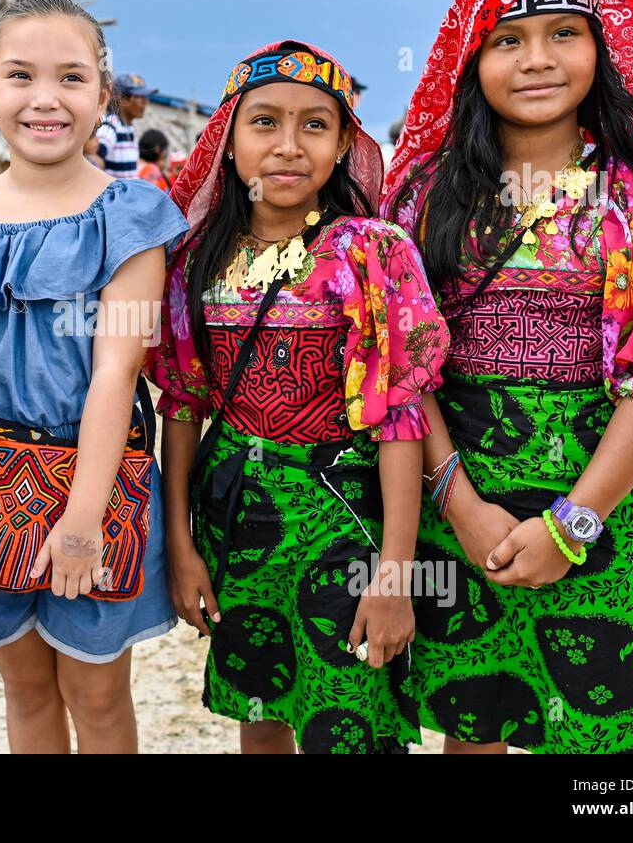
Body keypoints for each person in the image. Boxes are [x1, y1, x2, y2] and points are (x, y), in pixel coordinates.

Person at [383, 0, 633, 754]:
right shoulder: (428, 199)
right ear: (469, 61)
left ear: (599, 49)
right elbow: (403, 364)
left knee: (588, 739)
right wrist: (458, 502)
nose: (538, 59)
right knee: (470, 728)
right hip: (461, 512)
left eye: (564, 34)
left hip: (598, 519)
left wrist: (574, 522)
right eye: (507, 40)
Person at [150, 39, 449, 754]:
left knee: (350, 721)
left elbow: (399, 417)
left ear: (344, 144)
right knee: (262, 713)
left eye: (314, 124)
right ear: (227, 141)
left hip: (346, 526)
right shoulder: (195, 261)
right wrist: (182, 546)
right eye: (264, 122)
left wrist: (394, 575)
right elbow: (184, 405)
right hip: (236, 522)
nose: (288, 145)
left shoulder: (372, 252)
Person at [0, 0, 187, 753]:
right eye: (20, 75)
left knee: (95, 694)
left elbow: (116, 372)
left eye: (71, 77)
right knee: (25, 687)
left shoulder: (129, 218)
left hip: (97, 485)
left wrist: (82, 519)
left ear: (102, 96)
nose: (45, 98)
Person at [97, 72, 155, 178]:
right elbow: (95, 157)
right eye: (141, 97)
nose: (146, 102)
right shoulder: (111, 125)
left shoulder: (128, 128)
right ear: (123, 99)